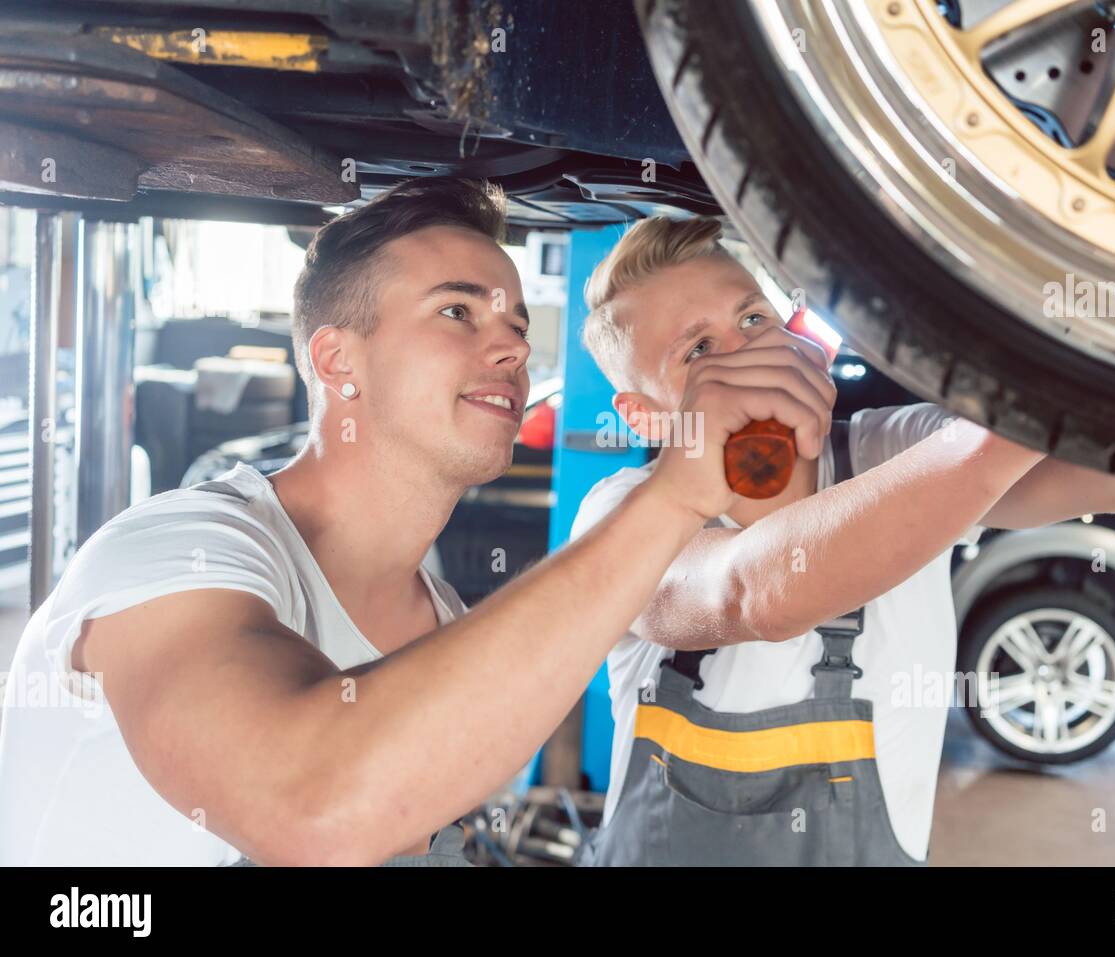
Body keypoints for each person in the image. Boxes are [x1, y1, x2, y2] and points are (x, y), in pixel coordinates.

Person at [0, 180, 805, 866]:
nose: (510, 352)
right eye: (457, 312)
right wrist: (671, 495)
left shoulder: (443, 624)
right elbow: (312, 801)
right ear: (335, 360)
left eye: (517, 327)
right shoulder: (183, 551)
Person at [570, 216, 1115, 866]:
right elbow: (750, 593)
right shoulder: (625, 512)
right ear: (643, 414)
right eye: (698, 350)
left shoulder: (893, 454)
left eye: (752, 319)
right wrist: (1032, 398)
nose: (750, 353)